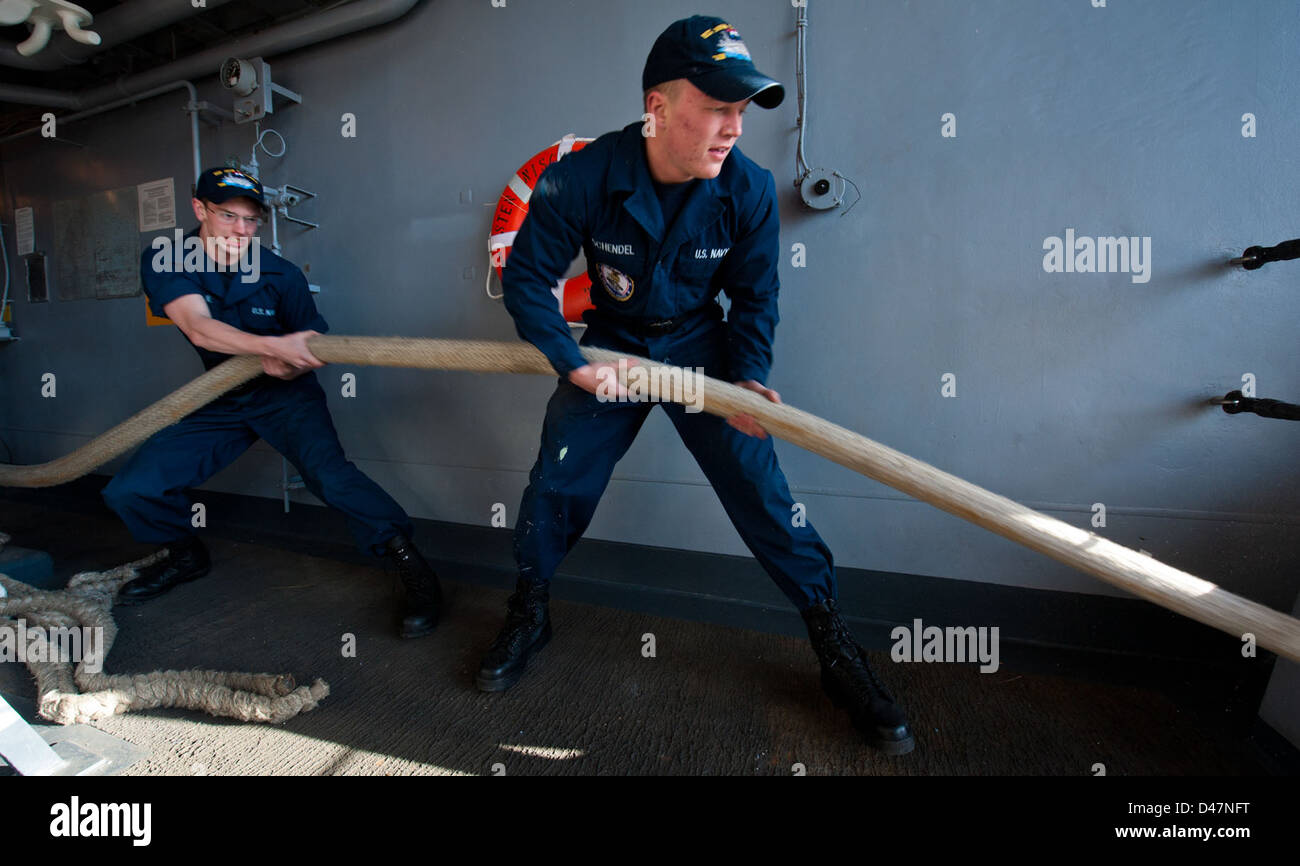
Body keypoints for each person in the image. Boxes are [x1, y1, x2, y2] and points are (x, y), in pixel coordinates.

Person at [482, 16, 915, 755]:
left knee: (766, 496)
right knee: (557, 480)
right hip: (613, 344)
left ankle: (835, 648)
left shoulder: (746, 190)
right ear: (657, 108)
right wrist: (574, 363)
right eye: (718, 108)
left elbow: (755, 299)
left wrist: (746, 381)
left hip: (698, 350)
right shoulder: (581, 178)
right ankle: (530, 607)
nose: (733, 129)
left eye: (741, 112)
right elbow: (525, 279)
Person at [102, 167, 442, 638]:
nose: (242, 230)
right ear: (199, 209)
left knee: (331, 477)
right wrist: (269, 348)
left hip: (286, 396)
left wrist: (293, 362)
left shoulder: (280, 274)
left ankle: (413, 569)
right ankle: (184, 554)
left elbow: (313, 342)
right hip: (220, 393)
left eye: (252, 220)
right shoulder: (166, 261)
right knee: (131, 488)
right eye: (228, 216)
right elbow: (198, 326)